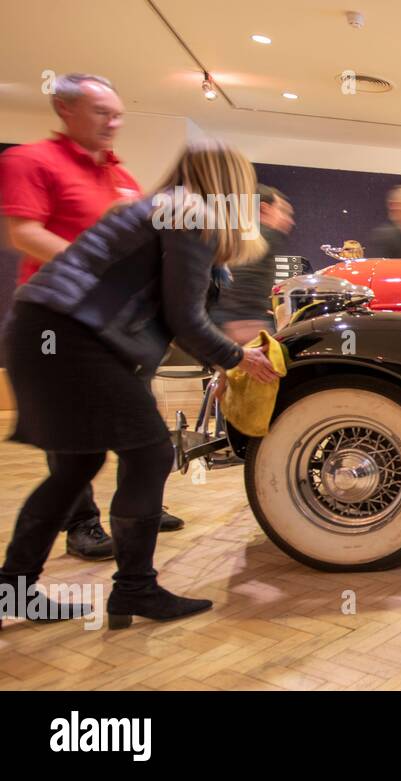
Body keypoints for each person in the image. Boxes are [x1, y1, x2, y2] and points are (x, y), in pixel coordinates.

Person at [0, 141, 280, 629]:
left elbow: (165, 311)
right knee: (149, 453)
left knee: (75, 467)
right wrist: (238, 358)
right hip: (72, 337)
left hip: (41, 330)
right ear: (233, 183)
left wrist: (219, 358)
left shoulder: (164, 207)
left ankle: (13, 591)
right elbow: (183, 316)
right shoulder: (190, 212)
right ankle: (134, 590)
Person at [0, 72, 185, 561]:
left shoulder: (121, 176)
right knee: (78, 450)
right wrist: (95, 270)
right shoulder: (30, 160)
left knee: (124, 444)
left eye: (119, 113)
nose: (114, 122)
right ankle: (87, 529)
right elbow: (24, 234)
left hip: (112, 330)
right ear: (65, 110)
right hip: (56, 325)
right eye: (103, 113)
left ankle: (136, 508)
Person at [210, 185, 295, 344]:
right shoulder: (265, 237)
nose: (289, 220)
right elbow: (246, 283)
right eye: (283, 212)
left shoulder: (236, 234)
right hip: (244, 326)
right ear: (264, 209)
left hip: (220, 323)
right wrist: (247, 325)